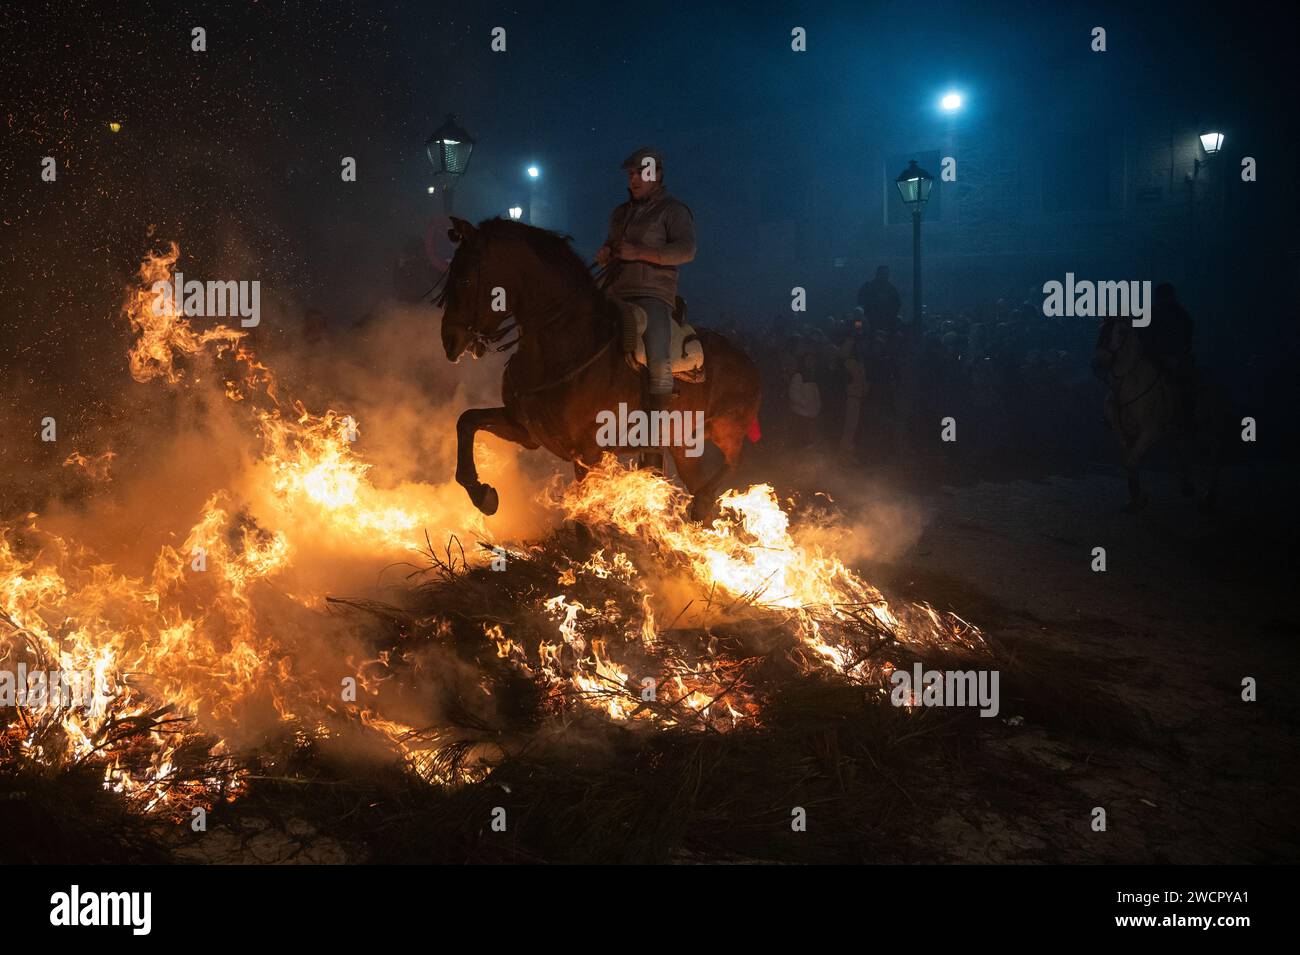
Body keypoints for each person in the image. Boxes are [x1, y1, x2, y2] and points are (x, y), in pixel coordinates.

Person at [596, 146, 697, 469]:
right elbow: (615, 247)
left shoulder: (673, 211)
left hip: (653, 294)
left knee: (657, 349)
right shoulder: (620, 214)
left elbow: (687, 250)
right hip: (615, 291)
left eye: (641, 173)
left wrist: (639, 252)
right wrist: (607, 253)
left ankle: (656, 432)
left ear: (657, 175)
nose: (634, 179)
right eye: (630, 174)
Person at [1135, 282, 1195, 429]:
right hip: (1165, 359)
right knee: (1185, 387)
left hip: (1158, 359)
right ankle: (1185, 418)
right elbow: (1187, 337)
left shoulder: (1153, 312)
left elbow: (1137, 333)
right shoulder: (1181, 313)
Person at [787, 352, 822, 448]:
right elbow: (793, 393)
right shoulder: (799, 375)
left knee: (811, 440)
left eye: (812, 360)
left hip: (812, 414)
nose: (810, 362)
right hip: (801, 414)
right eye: (808, 360)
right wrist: (804, 403)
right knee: (801, 440)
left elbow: (816, 394)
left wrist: (817, 406)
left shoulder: (813, 375)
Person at [857, 265, 901, 341]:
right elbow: (860, 302)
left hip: (887, 322)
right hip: (869, 320)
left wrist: (891, 314)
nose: (885, 276)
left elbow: (898, 304)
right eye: (883, 273)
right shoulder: (868, 286)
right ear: (878, 274)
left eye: (886, 274)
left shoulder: (891, 288)